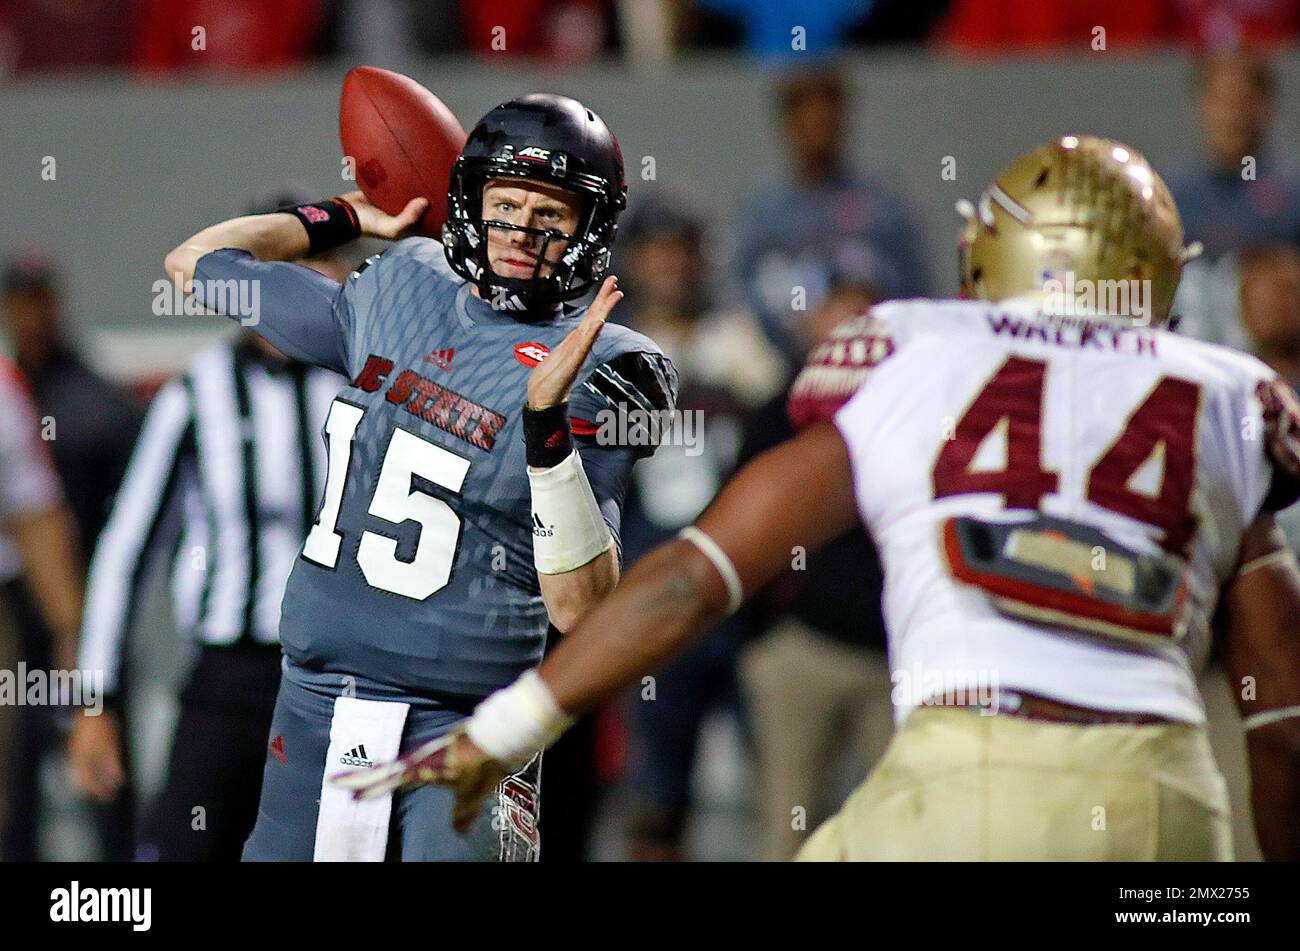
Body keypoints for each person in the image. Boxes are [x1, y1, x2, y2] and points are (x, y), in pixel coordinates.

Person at [351, 136, 1300, 862]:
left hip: (972, 776)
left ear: (992, 256)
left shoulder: (916, 350)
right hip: (1166, 796)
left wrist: (506, 726)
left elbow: (692, 578)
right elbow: (1280, 720)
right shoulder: (1227, 392)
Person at [163, 94, 677, 861]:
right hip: (311, 704)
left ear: (591, 228)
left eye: (552, 214)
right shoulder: (399, 283)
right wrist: (345, 215)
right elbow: (198, 264)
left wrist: (545, 429)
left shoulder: (610, 360)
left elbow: (582, 608)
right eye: (506, 203)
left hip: (465, 726)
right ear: (469, 199)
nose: (522, 232)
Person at [69, 190, 349, 860]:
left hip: (335, 682)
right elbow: (128, 547)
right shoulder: (200, 390)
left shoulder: (358, 383)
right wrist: (93, 698)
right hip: (228, 681)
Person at [0, 253, 142, 862]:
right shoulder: (16, 385)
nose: (31, 315)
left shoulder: (95, 403)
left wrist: (75, 627)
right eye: (19, 301)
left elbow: (42, 517)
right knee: (19, 769)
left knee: (99, 752)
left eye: (40, 300)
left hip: (71, 600)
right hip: (19, 611)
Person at [734, 66, 926, 363]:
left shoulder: (882, 205)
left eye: (827, 121)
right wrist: (802, 323)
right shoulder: (765, 215)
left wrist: (861, 311)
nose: (817, 134)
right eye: (806, 121)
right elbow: (745, 297)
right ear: (788, 125)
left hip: (876, 360)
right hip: (788, 365)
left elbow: (914, 292)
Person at [1167, 47, 1300, 347]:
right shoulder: (1171, 196)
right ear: (1202, 104)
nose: (1233, 115)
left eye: (1243, 101)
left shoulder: (1292, 192)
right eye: (1223, 101)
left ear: (1265, 105)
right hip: (1189, 358)